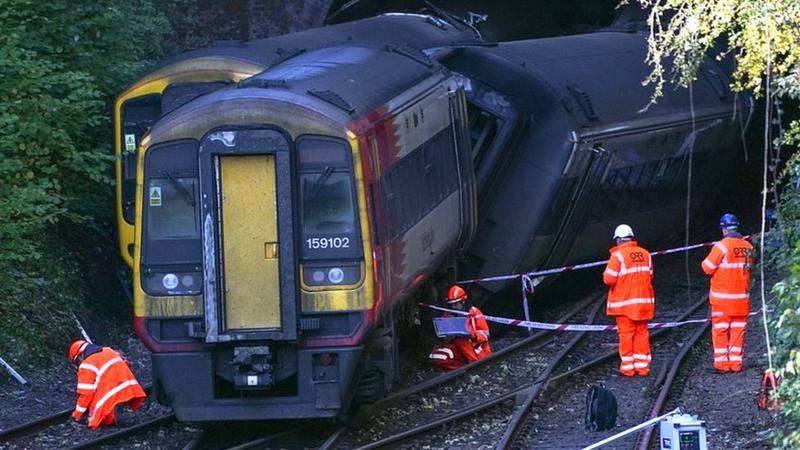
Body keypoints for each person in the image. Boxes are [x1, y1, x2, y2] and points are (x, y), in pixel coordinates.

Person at [701, 213, 754, 372]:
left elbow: (707, 268)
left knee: (721, 331)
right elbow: (751, 269)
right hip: (742, 300)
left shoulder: (721, 246)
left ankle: (722, 365)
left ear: (724, 229)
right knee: (738, 331)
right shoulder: (748, 247)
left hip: (723, 300)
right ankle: (736, 364)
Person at [603, 224, 655, 377]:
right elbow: (650, 274)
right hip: (644, 303)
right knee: (642, 334)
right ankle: (642, 367)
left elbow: (609, 279)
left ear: (618, 240)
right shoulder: (646, 254)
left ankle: (628, 368)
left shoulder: (618, 256)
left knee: (626, 335)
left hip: (624, 304)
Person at [68, 340, 147, 429]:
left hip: (111, 398)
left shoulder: (86, 364)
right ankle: (124, 412)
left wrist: (76, 415)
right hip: (131, 390)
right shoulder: (108, 350)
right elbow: (126, 363)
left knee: (97, 416)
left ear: (79, 356)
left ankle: (117, 417)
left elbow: (85, 394)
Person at [429, 284, 492, 370]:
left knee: (462, 340)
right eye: (452, 305)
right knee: (436, 356)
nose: (454, 307)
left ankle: (474, 365)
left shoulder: (474, 312)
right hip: (457, 349)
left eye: (456, 304)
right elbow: (443, 337)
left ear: (463, 301)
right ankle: (462, 367)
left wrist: (472, 335)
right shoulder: (447, 315)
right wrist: (447, 335)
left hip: (475, 348)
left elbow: (486, 334)